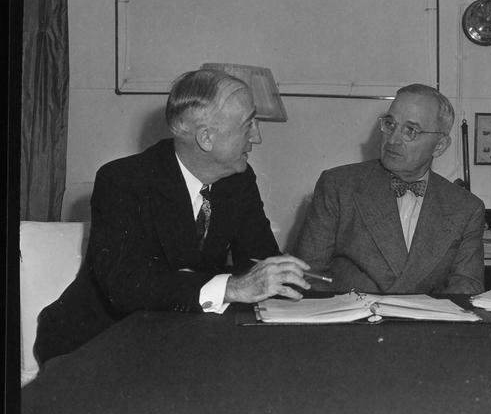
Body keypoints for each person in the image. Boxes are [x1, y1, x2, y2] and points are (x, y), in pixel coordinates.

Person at [34, 69, 311, 365]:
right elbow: (126, 287)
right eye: (248, 125)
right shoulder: (123, 181)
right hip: (94, 344)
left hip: (177, 339)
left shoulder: (238, 181)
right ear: (206, 138)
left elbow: (258, 260)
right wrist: (233, 287)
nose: (257, 135)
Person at [294, 83, 485, 295]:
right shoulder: (339, 186)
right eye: (390, 124)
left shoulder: (466, 207)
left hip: (425, 326)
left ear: (440, 146)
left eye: (410, 130)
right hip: (350, 323)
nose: (392, 139)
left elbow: (466, 287)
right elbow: (307, 276)